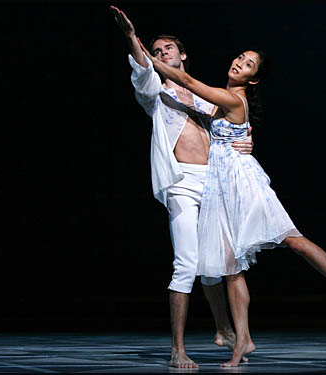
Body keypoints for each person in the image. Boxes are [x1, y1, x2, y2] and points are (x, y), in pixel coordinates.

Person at [138, 40, 326, 367]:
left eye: (247, 64)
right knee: (229, 266)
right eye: (239, 57)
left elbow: (190, 83)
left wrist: (150, 59)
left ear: (253, 79)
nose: (239, 63)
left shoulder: (232, 97)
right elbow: (219, 122)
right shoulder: (221, 98)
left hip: (242, 182)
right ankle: (240, 339)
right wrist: (246, 136)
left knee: (292, 240)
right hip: (220, 184)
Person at [109, 6, 255, 368]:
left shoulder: (205, 96)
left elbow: (234, 126)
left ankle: (223, 330)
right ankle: (178, 350)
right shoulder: (154, 94)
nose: (161, 55)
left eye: (166, 50)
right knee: (186, 264)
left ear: (182, 54)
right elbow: (143, 70)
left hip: (215, 183)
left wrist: (248, 141)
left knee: (219, 263)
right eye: (156, 51)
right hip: (182, 184)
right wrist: (131, 38)